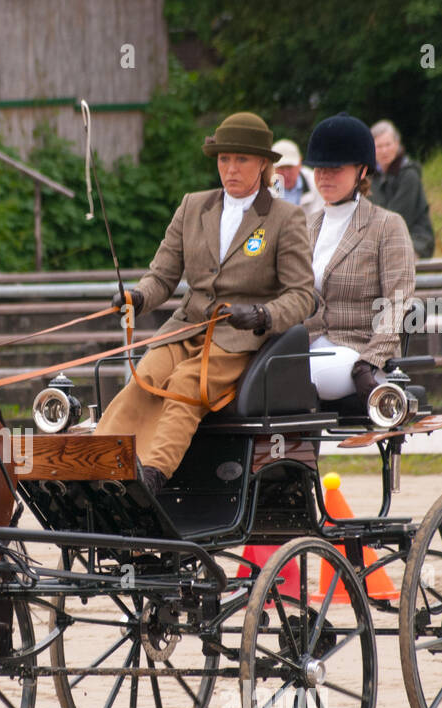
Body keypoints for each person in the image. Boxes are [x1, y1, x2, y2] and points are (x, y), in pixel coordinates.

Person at [97, 111, 314, 493]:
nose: (230, 169)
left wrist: (263, 314)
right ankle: (97, 464)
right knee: (144, 378)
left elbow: (302, 295)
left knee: (185, 386)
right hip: (186, 326)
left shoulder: (285, 218)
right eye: (224, 159)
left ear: (263, 164)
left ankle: (152, 476)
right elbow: (162, 275)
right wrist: (138, 296)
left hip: (238, 337)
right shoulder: (193, 206)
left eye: (241, 159)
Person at [301, 113, 416, 404]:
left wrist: (370, 360)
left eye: (335, 168)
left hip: (358, 350)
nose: (324, 176)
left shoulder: (387, 225)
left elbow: (398, 302)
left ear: (361, 171)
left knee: (306, 376)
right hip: (307, 344)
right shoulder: (304, 226)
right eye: (319, 168)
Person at [369, 120, 434, 258]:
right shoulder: (368, 178)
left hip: (415, 240)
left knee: (390, 258)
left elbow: (398, 218)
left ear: (397, 145)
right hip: (380, 242)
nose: (384, 151)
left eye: (388, 145)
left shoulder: (409, 175)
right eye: (379, 146)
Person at [269, 139, 321, 218]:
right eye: (281, 168)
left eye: (289, 167)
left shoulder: (317, 184)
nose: (286, 174)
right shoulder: (264, 188)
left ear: (300, 163)